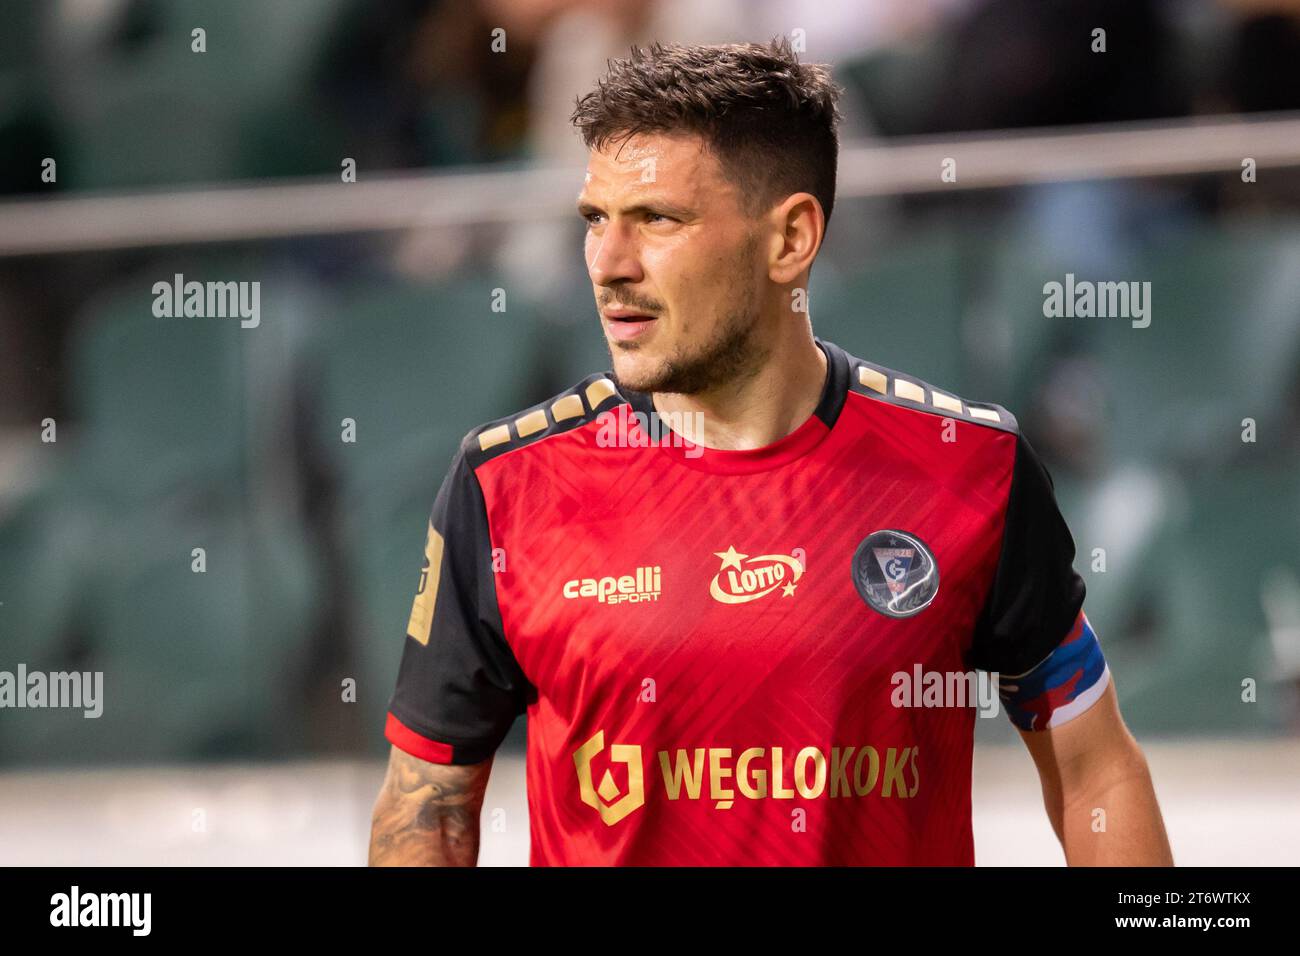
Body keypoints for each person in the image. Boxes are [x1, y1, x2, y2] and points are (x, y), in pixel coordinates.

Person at [368, 37, 1172, 866]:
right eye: (596, 220)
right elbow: (428, 810)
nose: (608, 264)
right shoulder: (505, 488)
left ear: (791, 239)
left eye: (657, 220)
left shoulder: (968, 468)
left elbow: (1095, 772)